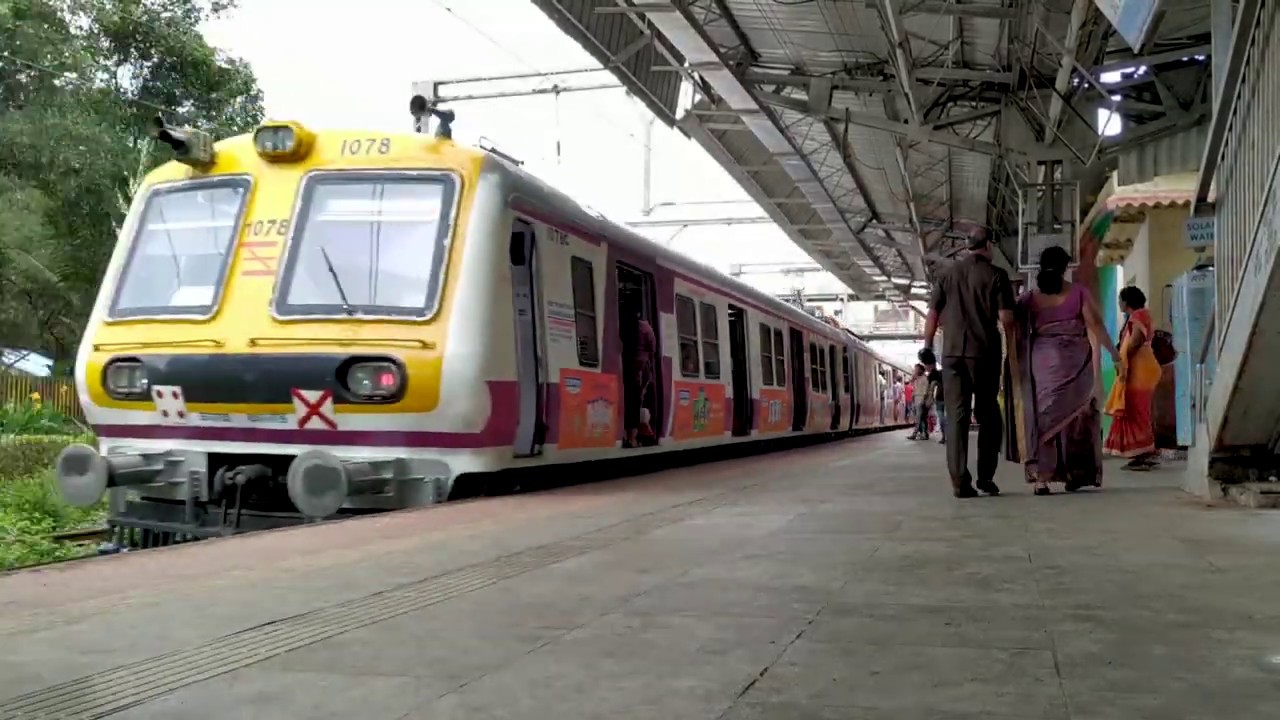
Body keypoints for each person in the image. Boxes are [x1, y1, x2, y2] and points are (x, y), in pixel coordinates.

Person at [1012, 246, 1121, 496]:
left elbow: (1014, 327)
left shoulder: (1030, 299)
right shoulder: (1079, 293)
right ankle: (1075, 475)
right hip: (1074, 362)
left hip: (1041, 365)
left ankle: (1042, 478)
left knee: (1044, 420)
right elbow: (1095, 324)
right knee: (1075, 418)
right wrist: (1113, 354)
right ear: (1065, 268)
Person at [923, 235, 1015, 498]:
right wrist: (1014, 351)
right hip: (983, 353)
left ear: (966, 248)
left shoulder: (947, 275)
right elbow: (1006, 319)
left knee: (956, 417)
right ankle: (985, 478)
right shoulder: (996, 275)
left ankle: (959, 482)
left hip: (951, 354)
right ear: (988, 247)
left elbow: (932, 315)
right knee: (989, 414)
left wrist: (928, 346)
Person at [1104, 286, 1162, 469]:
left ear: (1126, 301)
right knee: (1138, 411)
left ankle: (1144, 453)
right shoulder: (1143, 315)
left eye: (1120, 300)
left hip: (1139, 371)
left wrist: (1121, 358)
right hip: (1143, 369)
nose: (1119, 303)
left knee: (1136, 411)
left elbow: (1136, 341)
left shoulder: (1137, 317)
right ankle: (1142, 453)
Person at [622, 306, 657, 448]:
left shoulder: (619, 325)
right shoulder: (645, 327)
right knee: (634, 404)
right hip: (638, 370)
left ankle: (624, 435)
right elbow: (652, 348)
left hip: (621, 368)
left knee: (626, 403)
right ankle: (632, 438)